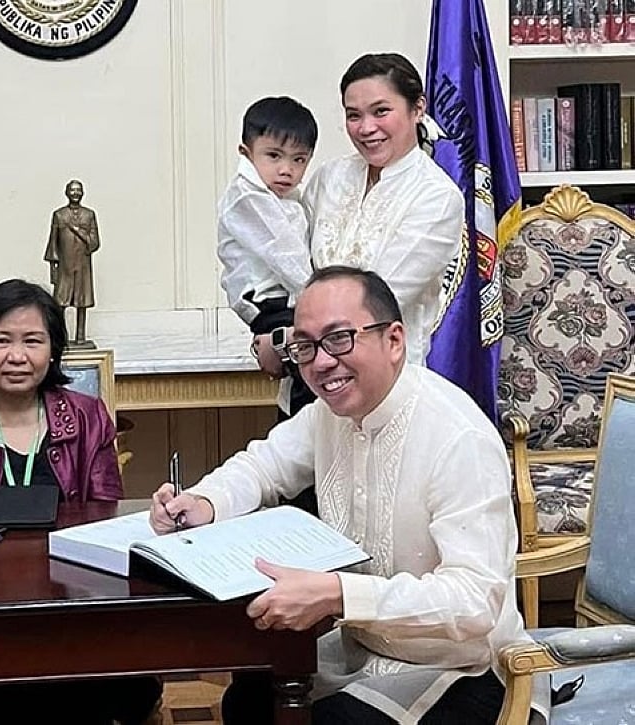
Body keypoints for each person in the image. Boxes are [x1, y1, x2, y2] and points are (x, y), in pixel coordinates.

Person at [150, 267, 549, 725]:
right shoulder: (331, 413)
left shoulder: (457, 437)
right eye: (305, 346)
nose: (321, 362)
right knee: (249, 699)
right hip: (362, 648)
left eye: (339, 339)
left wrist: (338, 595)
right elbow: (264, 465)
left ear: (394, 340)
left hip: (467, 667)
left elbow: (474, 603)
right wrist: (204, 501)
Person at [0, 278, 162, 725]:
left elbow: (106, 519)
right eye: (1, 340)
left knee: (103, 691)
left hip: (71, 609)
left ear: (53, 349)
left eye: (33, 341)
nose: (17, 356)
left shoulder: (86, 416)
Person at [303, 52, 464, 368]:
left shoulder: (437, 196)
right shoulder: (328, 178)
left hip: (386, 377)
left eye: (381, 111)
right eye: (353, 115)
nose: (366, 128)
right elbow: (291, 260)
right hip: (307, 369)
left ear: (418, 108)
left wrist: (290, 336)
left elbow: (382, 299)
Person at [216, 96, 319, 421]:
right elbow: (286, 254)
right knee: (313, 375)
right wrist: (323, 296)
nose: (287, 170)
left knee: (308, 378)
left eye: (299, 160)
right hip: (269, 306)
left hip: (285, 305)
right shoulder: (248, 196)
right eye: (274, 156)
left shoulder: (286, 197)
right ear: (246, 153)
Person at [44, 179, 100, 347]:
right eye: (72, 190)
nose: (75, 193)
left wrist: (79, 232)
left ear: (82, 193)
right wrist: (53, 266)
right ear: (66, 193)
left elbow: (95, 242)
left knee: (82, 303)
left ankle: (80, 337)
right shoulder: (59, 215)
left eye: (78, 190)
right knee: (61, 302)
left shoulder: (89, 215)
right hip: (65, 267)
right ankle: (60, 337)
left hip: (83, 266)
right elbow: (53, 242)